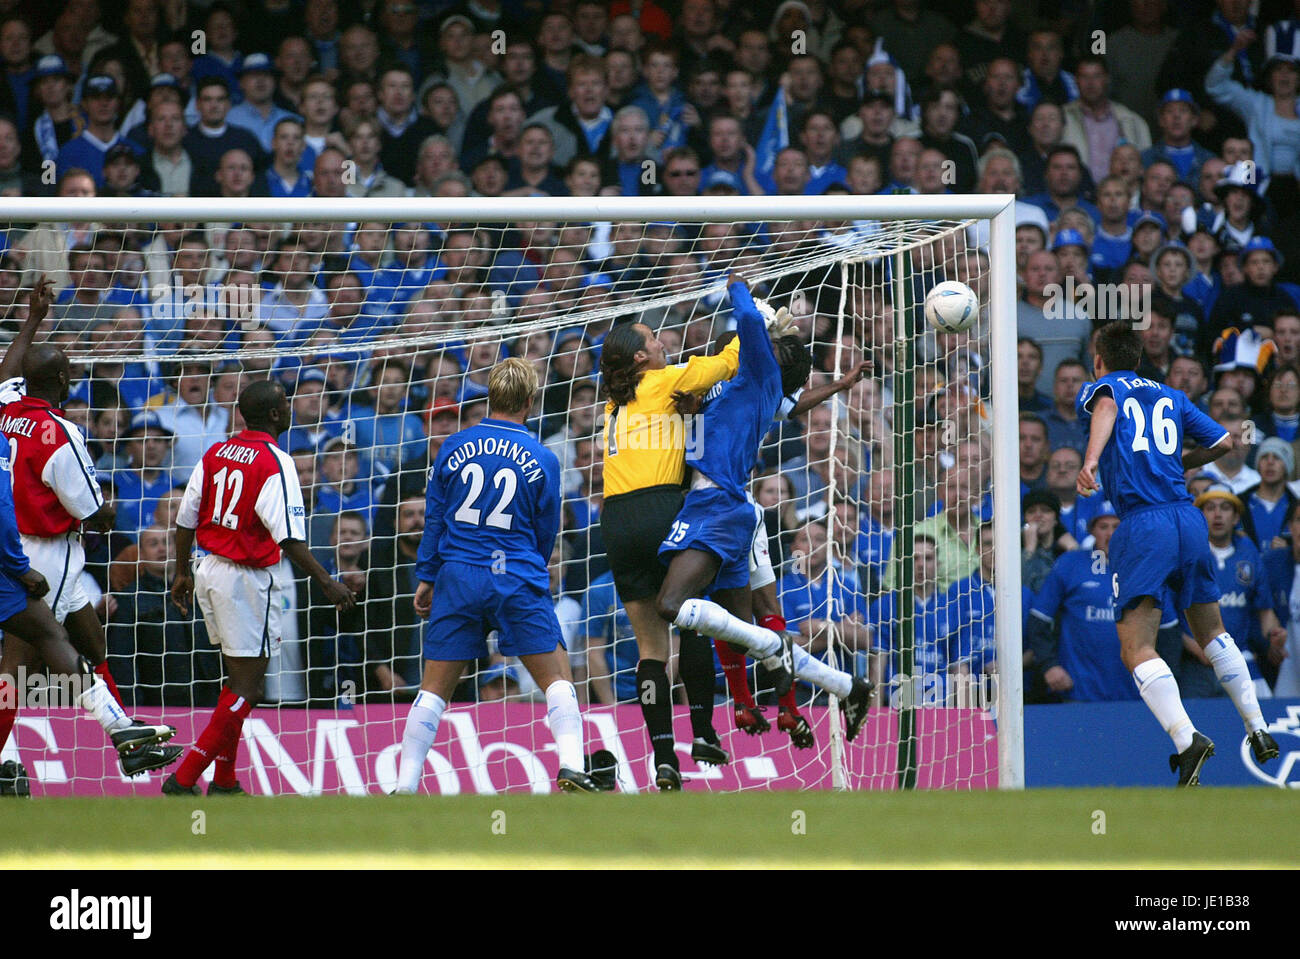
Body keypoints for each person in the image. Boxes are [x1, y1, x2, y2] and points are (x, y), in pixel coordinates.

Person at [654, 275, 873, 790]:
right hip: (725, 505)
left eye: (773, 346)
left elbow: (750, 320)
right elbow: (792, 405)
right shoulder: (761, 390)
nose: (766, 342)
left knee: (679, 607)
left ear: (770, 357)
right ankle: (845, 685)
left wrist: (736, 284)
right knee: (737, 622)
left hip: (718, 505)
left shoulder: (758, 373)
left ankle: (771, 665)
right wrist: (840, 385)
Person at [1076, 321, 1279, 785]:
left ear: (1099, 359)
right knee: (1212, 630)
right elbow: (1224, 443)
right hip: (1189, 518)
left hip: (1144, 523)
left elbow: (1106, 406)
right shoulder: (1172, 396)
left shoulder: (1106, 388)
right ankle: (1259, 726)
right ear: (1142, 358)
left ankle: (1188, 740)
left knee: (1136, 647)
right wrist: (1176, 463)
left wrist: (1090, 461)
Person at [0, 278, 180, 781]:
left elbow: (7, 370)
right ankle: (8, 758)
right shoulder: (62, 434)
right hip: (45, 552)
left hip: (26, 545)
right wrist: (106, 509)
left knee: (92, 645)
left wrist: (32, 321)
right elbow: (90, 509)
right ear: (64, 381)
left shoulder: (5, 409)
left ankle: (127, 734)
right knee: (24, 659)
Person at [394, 358, 598, 794]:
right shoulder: (543, 457)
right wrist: (534, 570)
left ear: (490, 398)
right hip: (516, 574)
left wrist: (427, 575)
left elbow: (435, 518)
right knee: (556, 676)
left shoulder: (453, 446)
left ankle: (405, 785)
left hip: (459, 575)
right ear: (529, 401)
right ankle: (571, 766)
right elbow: (547, 530)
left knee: (434, 688)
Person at [164, 379, 357, 796]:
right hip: (247, 578)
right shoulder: (276, 461)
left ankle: (225, 780)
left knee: (236, 682)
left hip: (209, 569)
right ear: (274, 414)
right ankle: (183, 778)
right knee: (249, 687)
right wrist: (327, 581)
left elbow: (185, 516)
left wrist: (181, 571)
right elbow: (287, 536)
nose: (289, 409)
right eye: (286, 403)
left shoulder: (216, 452)